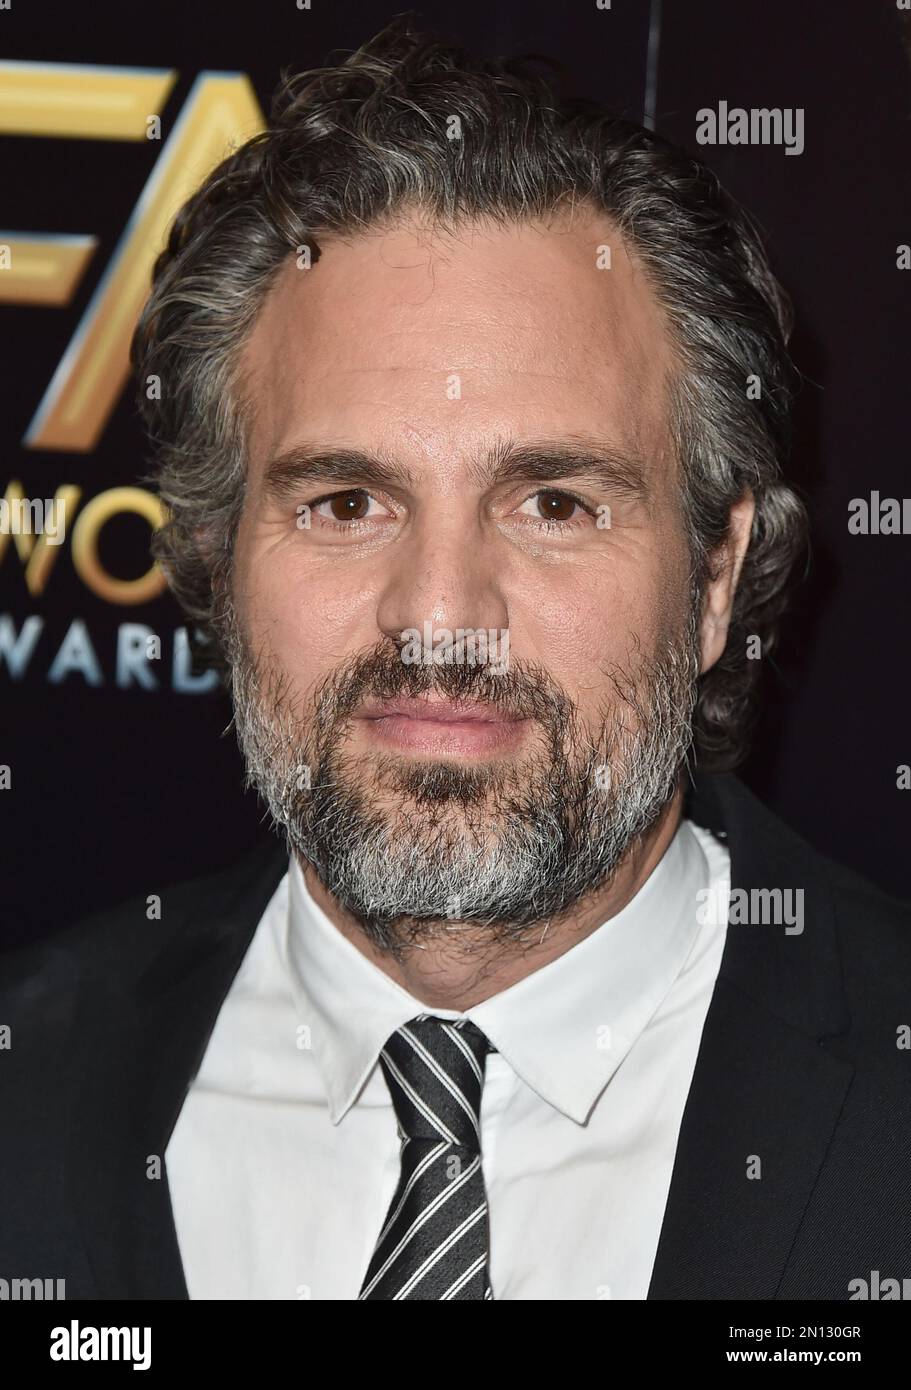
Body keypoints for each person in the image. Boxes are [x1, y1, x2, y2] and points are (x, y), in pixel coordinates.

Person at [2, 17, 909, 1301]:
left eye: (551, 503)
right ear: (217, 553)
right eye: (345, 503)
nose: (437, 617)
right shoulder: (28, 1084)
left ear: (713, 578)